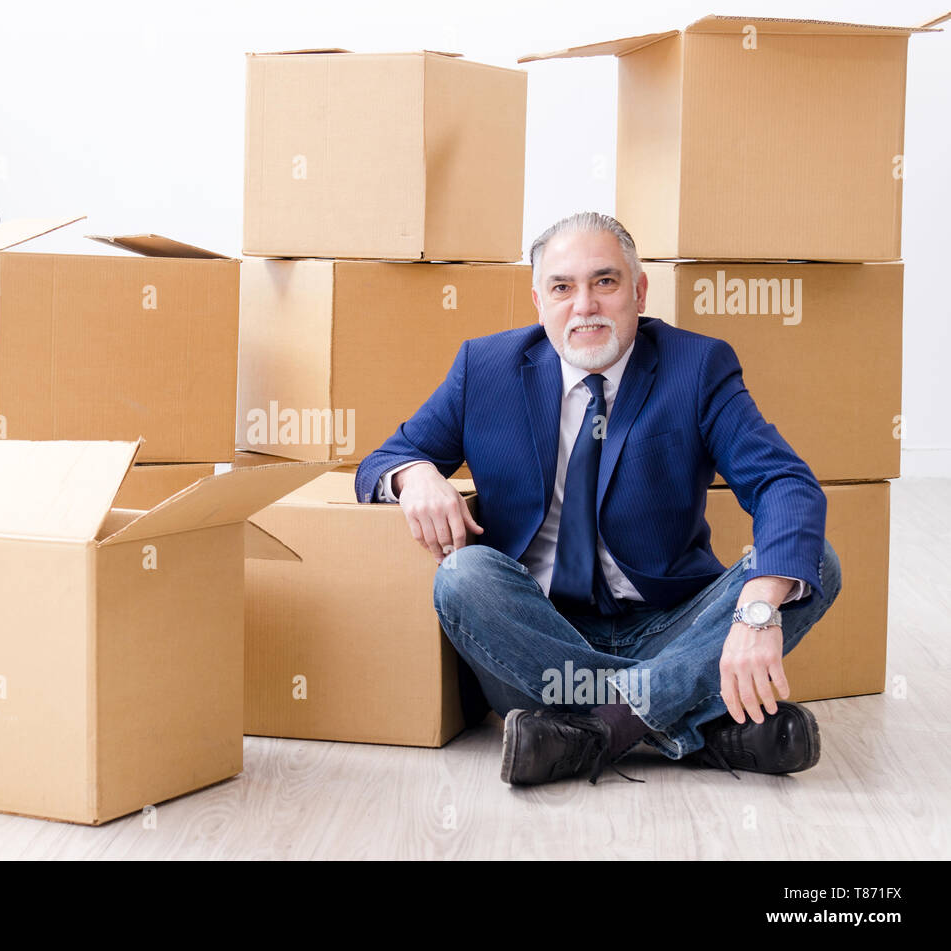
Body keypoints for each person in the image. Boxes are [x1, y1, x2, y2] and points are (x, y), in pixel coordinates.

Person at [354, 212, 842, 786]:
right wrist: (417, 476)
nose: (584, 305)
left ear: (638, 291)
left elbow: (783, 483)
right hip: (538, 636)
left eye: (604, 282)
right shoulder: (484, 368)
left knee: (812, 563)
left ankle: (593, 733)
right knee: (464, 577)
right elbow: (379, 463)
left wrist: (758, 610)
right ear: (539, 302)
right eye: (563, 287)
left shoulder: (697, 366)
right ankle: (688, 719)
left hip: (670, 622)